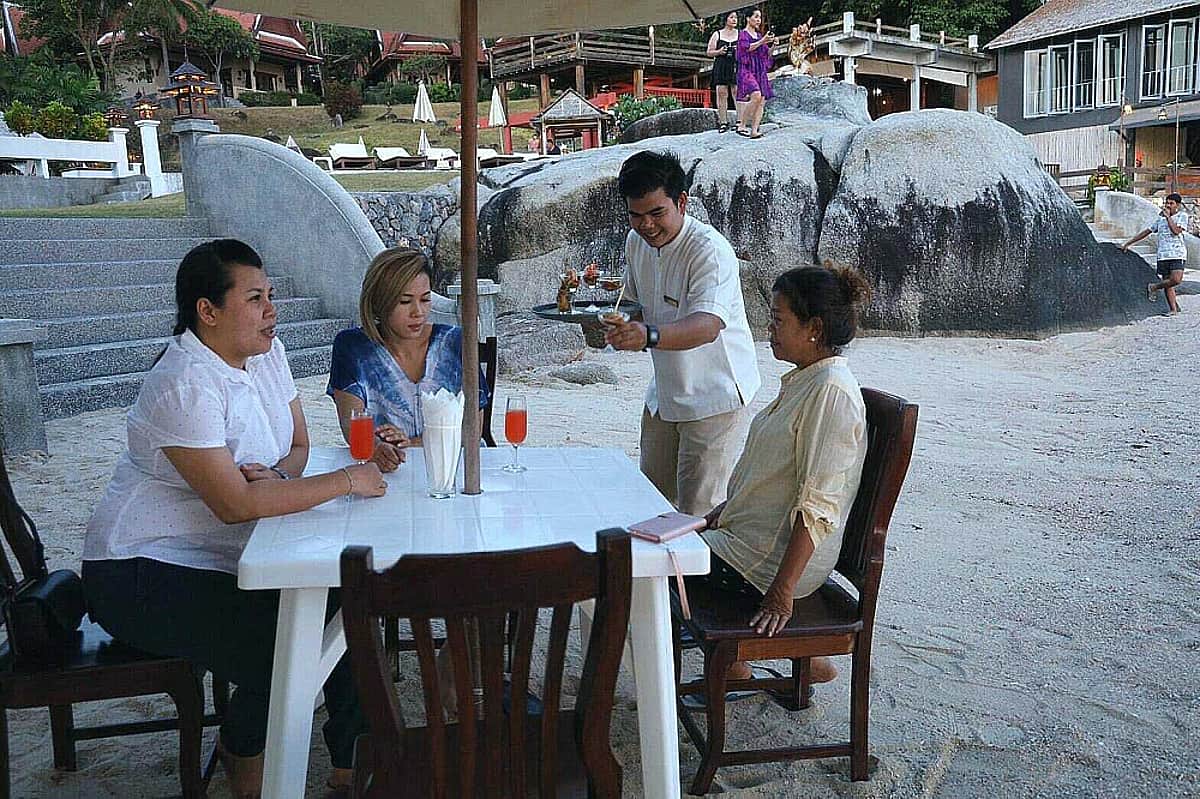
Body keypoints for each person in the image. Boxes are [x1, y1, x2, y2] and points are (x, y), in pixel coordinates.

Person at [82, 239, 387, 797]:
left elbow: (297, 444)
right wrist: (346, 480)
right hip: (141, 569)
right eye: (254, 298)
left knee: (346, 602)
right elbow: (233, 505)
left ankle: (350, 766)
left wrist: (278, 480)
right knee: (284, 647)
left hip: (232, 553)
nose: (272, 311)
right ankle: (243, 750)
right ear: (208, 310)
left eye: (270, 296)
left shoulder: (266, 353)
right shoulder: (183, 383)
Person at [696, 264, 871, 686]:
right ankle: (802, 662)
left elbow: (819, 504)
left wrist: (781, 592)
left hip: (767, 566)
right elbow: (771, 474)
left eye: (778, 320)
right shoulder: (808, 381)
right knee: (656, 540)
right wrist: (722, 511)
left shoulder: (830, 391)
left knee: (643, 571)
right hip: (748, 540)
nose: (769, 329)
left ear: (813, 327)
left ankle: (737, 668)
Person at [603, 151, 761, 516]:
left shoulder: (710, 250)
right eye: (636, 215)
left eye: (657, 213)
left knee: (696, 512)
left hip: (714, 394)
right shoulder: (635, 241)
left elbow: (708, 325)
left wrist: (647, 336)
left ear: (682, 202)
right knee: (651, 501)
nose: (646, 226)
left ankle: (697, 576)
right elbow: (632, 305)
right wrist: (610, 323)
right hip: (666, 391)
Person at [327, 246, 489, 471]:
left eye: (425, 299)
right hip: (386, 473)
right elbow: (350, 422)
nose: (418, 312)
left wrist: (412, 444)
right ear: (379, 302)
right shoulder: (352, 347)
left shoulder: (455, 342)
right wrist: (375, 448)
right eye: (405, 301)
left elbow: (472, 427)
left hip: (456, 467)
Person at [1122, 192, 1188, 315]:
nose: (1168, 205)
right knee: (1168, 282)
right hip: (1163, 254)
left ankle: (1154, 287)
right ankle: (1173, 309)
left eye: (1171, 203)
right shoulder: (1160, 220)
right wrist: (1128, 243)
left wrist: (1168, 217)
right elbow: (1146, 232)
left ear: (1177, 205)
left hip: (1178, 253)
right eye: (1167, 203)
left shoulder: (1182, 216)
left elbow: (1176, 231)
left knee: (1176, 280)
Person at [736, 8, 776, 139]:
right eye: (756, 17)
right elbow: (747, 48)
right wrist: (763, 41)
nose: (759, 20)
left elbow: (767, 54)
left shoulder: (759, 36)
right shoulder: (743, 34)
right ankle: (741, 125)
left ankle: (754, 130)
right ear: (748, 18)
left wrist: (773, 46)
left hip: (760, 69)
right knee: (756, 95)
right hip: (747, 68)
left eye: (760, 17)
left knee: (762, 100)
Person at [706, 11, 741, 132]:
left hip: (736, 65)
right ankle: (723, 122)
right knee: (721, 93)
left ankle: (740, 121)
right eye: (731, 17)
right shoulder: (717, 34)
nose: (734, 20)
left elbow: (748, 49)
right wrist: (719, 51)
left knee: (736, 91)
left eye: (736, 17)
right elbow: (709, 52)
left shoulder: (740, 34)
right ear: (725, 19)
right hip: (721, 64)